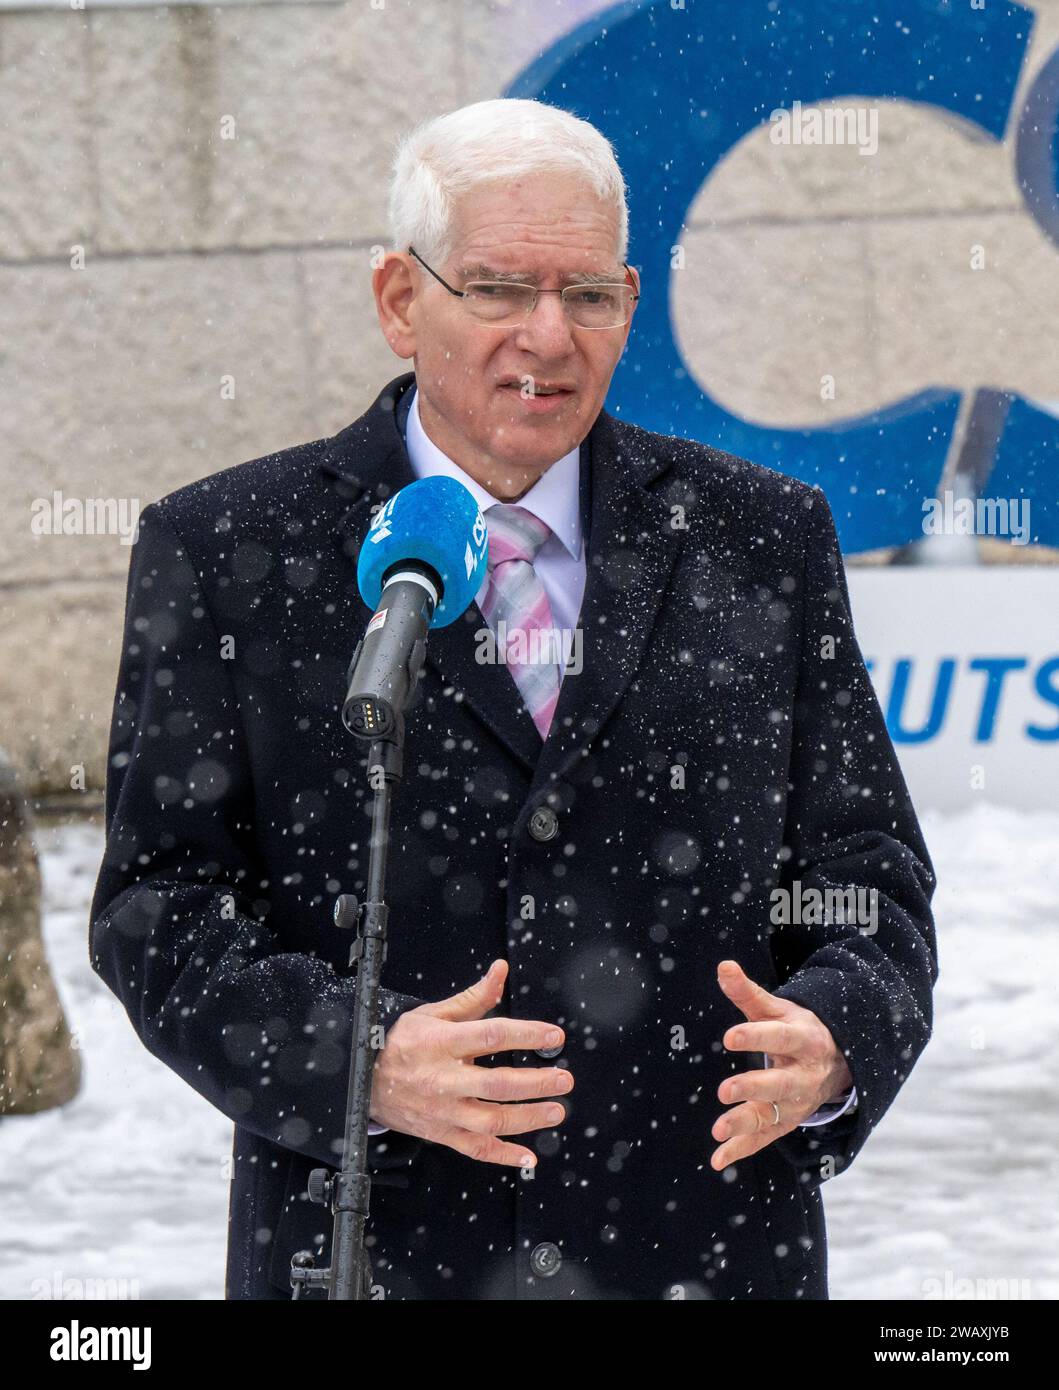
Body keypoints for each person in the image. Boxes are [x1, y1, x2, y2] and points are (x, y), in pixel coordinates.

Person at [90, 97, 937, 1300]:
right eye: (497, 289)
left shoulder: (763, 537)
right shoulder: (227, 550)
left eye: (588, 295)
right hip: (383, 1251)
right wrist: (359, 1062)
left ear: (629, 305)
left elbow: (871, 870)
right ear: (400, 299)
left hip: (702, 1245)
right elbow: (157, 911)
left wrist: (842, 1032)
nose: (548, 335)